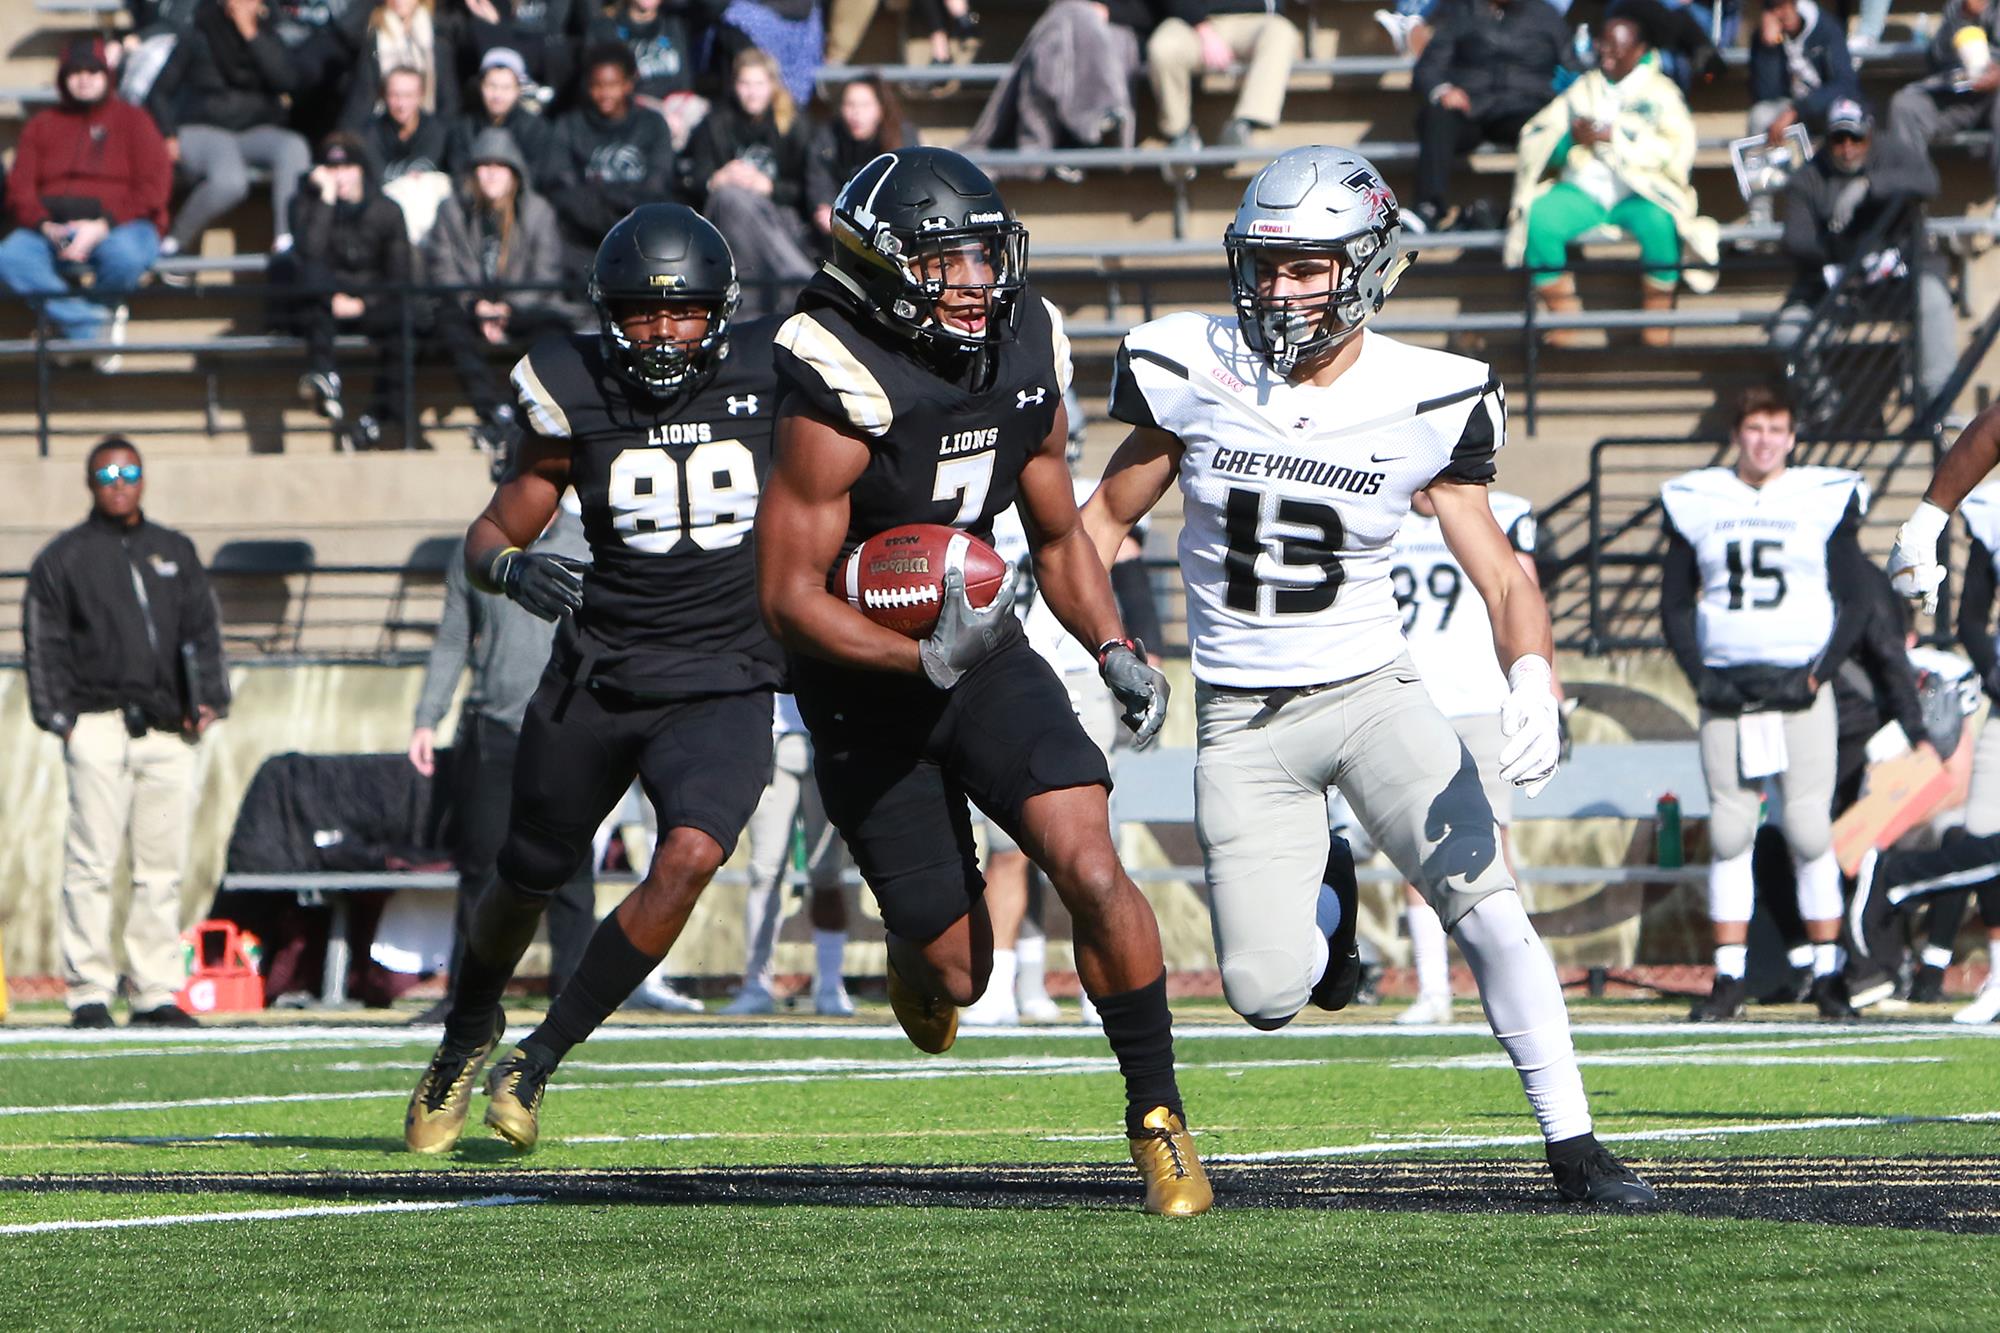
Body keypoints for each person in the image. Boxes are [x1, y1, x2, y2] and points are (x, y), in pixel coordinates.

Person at [1081, 145, 1654, 1208]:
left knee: (1488, 909)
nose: (1280, 291)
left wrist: (1534, 675)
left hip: (1371, 696)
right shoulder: (1193, 367)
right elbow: (1101, 525)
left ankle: (1575, 1145)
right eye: (1266, 265)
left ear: (1366, 266)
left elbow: (1500, 571)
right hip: (1243, 723)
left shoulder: (1427, 393)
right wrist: (1088, 640)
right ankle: (1331, 908)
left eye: (1307, 268)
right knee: (1262, 991)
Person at [756, 147, 1211, 1216]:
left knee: (1090, 865)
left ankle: (1158, 1116)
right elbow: (785, 596)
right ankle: (914, 949)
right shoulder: (832, 376)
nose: (972, 282)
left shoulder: (1025, 335)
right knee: (960, 970)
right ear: (878, 265)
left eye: (978, 256)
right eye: (941, 261)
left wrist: (1112, 646)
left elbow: (1055, 532)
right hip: (861, 678)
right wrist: (915, 657)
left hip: (984, 644)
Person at [404, 204, 785, 1156]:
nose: (663, 333)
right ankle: (466, 1030)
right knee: (528, 872)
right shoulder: (572, 384)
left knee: (692, 855)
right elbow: (489, 533)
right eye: (642, 313)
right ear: (606, 312)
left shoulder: (776, 373)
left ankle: (538, 1056)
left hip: (726, 677)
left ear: (721, 311)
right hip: (603, 675)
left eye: (685, 313)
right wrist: (511, 569)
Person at [1659, 386, 1871, 1021]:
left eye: (1777, 428)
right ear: (1737, 433)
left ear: (1793, 436)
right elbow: (1673, 602)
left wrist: (1817, 674)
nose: (1766, 440)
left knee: (1809, 829)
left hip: (1796, 683)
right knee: (1729, 831)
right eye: (1755, 427)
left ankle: (1831, 975)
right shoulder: (1699, 499)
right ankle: (1729, 978)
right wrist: (1700, 676)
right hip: (1728, 684)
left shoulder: (1821, 496)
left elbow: (1856, 601)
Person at [23, 437, 231, 1030]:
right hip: (96, 725)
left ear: (144, 478)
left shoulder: (174, 550)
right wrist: (59, 720)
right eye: (107, 472)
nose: (119, 481)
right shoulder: (63, 558)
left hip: (167, 732)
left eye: (129, 470)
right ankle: (89, 990)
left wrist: (210, 698)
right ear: (90, 483)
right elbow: (44, 645)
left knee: (160, 869)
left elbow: (204, 629)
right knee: (91, 864)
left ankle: (154, 991)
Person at [408, 500, 597, 1017]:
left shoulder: (591, 542)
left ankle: (574, 1000)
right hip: (493, 728)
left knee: (573, 871)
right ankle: (465, 999)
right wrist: (427, 717)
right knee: (481, 867)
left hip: (570, 729)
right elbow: (451, 638)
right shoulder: (480, 548)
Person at [1387, 486, 1544, 1025]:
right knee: (1417, 848)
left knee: (1494, 843)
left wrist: (1546, 690)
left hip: (1483, 700)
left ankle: (1516, 982)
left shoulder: (1502, 510)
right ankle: (1435, 990)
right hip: (1408, 699)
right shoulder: (1378, 505)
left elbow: (1525, 595)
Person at [1509, 17, 1717, 348]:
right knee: (1538, 216)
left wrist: (1614, 136)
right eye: (1602, 45)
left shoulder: (1661, 93)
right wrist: (1570, 140)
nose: (1606, 54)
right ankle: (1565, 319)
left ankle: (1657, 326)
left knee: (1662, 224)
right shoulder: (1584, 87)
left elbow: (1678, 149)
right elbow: (1538, 135)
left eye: (1616, 48)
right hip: (1584, 190)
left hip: (1639, 191)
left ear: (1639, 51)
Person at [1768, 99, 1956, 416]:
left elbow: (1928, 182)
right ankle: (1821, 404)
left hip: (1898, 279)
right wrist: (1840, 255)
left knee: (1934, 300)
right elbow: (1796, 239)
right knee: (1785, 335)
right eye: (1838, 139)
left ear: (1869, 134)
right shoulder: (1809, 176)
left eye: (1856, 138)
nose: (1847, 148)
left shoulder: (1892, 152)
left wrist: (1869, 186)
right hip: (1833, 284)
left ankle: (1937, 405)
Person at [0, 37, 171, 348]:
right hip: (52, 228)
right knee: (10, 256)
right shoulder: (42, 124)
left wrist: (102, 226)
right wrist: (45, 226)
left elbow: (154, 186)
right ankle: (89, 326)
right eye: (74, 72)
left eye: (92, 71)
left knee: (127, 255)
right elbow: (20, 188)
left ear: (106, 75)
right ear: (63, 79)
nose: (84, 79)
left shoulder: (134, 120)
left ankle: (80, 324)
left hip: (121, 225)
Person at [425, 126, 573, 457]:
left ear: (514, 173)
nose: (491, 174)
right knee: (445, 321)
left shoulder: (538, 211)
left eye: (499, 166)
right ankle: (490, 409)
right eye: (483, 165)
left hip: (523, 308)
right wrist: (476, 305)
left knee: (554, 330)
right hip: (469, 310)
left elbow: (546, 273)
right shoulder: (452, 210)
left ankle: (514, 409)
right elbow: (441, 267)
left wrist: (508, 308)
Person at [144, 0, 313, 262]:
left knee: (293, 147)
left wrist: (251, 34)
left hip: (253, 130)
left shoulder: (268, 31)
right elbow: (159, 93)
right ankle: (174, 243)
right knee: (231, 182)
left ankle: (285, 240)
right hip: (204, 127)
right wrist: (168, 135)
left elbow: (287, 80)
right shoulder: (199, 32)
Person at [280, 131, 417, 450]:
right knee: (311, 297)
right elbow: (309, 255)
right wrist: (325, 200)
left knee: (406, 318)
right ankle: (324, 375)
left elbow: (400, 277)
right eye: (331, 169)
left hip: (373, 303)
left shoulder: (387, 211)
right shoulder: (306, 204)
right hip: (325, 303)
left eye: (347, 168)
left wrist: (363, 304)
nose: (339, 176)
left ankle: (383, 415)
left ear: (362, 170)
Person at [723, 695, 855, 1016]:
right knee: (764, 872)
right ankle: (756, 982)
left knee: (825, 873)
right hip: (772, 739)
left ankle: (830, 985)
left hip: (826, 734)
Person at [1410, 0, 1572, 234]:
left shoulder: (1546, 16)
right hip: (1470, 109)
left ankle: (1533, 211)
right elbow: (1427, 69)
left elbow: (1574, 68)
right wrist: (1443, 90)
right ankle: (1428, 208)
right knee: (1437, 115)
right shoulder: (1461, 12)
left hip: (1524, 109)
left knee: (1548, 127)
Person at [683, 49, 815, 320]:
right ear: (734, 86)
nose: (751, 93)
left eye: (759, 84)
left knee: (739, 200)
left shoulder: (793, 123)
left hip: (780, 218)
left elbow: (808, 187)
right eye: (744, 84)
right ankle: (798, 278)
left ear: (772, 86)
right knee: (730, 197)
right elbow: (691, 179)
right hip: (727, 217)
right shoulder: (715, 122)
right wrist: (716, 179)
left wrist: (768, 187)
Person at [539, 43, 678, 281]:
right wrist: (611, 209)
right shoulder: (568, 126)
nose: (604, 94)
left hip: (642, 235)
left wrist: (608, 198)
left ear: (628, 83)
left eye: (612, 85)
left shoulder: (653, 124)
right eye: (597, 86)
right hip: (584, 237)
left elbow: (657, 186)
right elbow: (562, 190)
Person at [961, 0, 1145, 167]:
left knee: (1071, 20)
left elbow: (1159, 12)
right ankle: (1078, 130)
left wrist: (1110, 12)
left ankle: (1052, 137)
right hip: (1067, 30)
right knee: (1059, 30)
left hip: (1122, 33)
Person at [1145, 0, 1301, 152]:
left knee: (1282, 33)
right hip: (1192, 21)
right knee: (1164, 47)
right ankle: (1178, 134)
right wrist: (1202, 29)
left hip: (1257, 19)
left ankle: (1245, 125)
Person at [1884, 0, 2000, 203]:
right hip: (1959, 97)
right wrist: (1964, 17)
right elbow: (1935, 58)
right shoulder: (1957, 7)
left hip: (1996, 97)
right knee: (1905, 105)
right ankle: (1908, 210)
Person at [805, 76, 911, 240]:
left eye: (865, 105)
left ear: (881, 108)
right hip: (837, 222)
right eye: (850, 105)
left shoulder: (902, 139)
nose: (856, 113)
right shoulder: (828, 135)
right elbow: (818, 178)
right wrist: (824, 206)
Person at [1747, 0, 1857, 149]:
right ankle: (1763, 171)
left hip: (1825, 104)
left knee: (1840, 114)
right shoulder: (1763, 37)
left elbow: (1845, 84)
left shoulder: (1826, 29)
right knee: (1760, 116)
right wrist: (1769, 49)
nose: (1782, 13)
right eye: (1774, 8)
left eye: (1785, 5)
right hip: (1790, 107)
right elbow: (1767, 95)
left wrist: (1798, 110)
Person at [341, 0, 461, 131]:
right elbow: (363, 96)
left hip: (429, 128)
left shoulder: (438, 36)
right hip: (384, 128)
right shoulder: (374, 37)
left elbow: (449, 98)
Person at [444, 46, 552, 178]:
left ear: (518, 90)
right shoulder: (463, 128)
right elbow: (458, 171)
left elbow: (536, 174)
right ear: (481, 86)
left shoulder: (535, 129)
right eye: (492, 86)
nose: (497, 95)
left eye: (506, 87)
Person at [587, 0, 724, 102]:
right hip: (635, 112)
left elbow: (717, 5)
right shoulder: (605, 29)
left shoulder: (677, 23)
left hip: (680, 105)